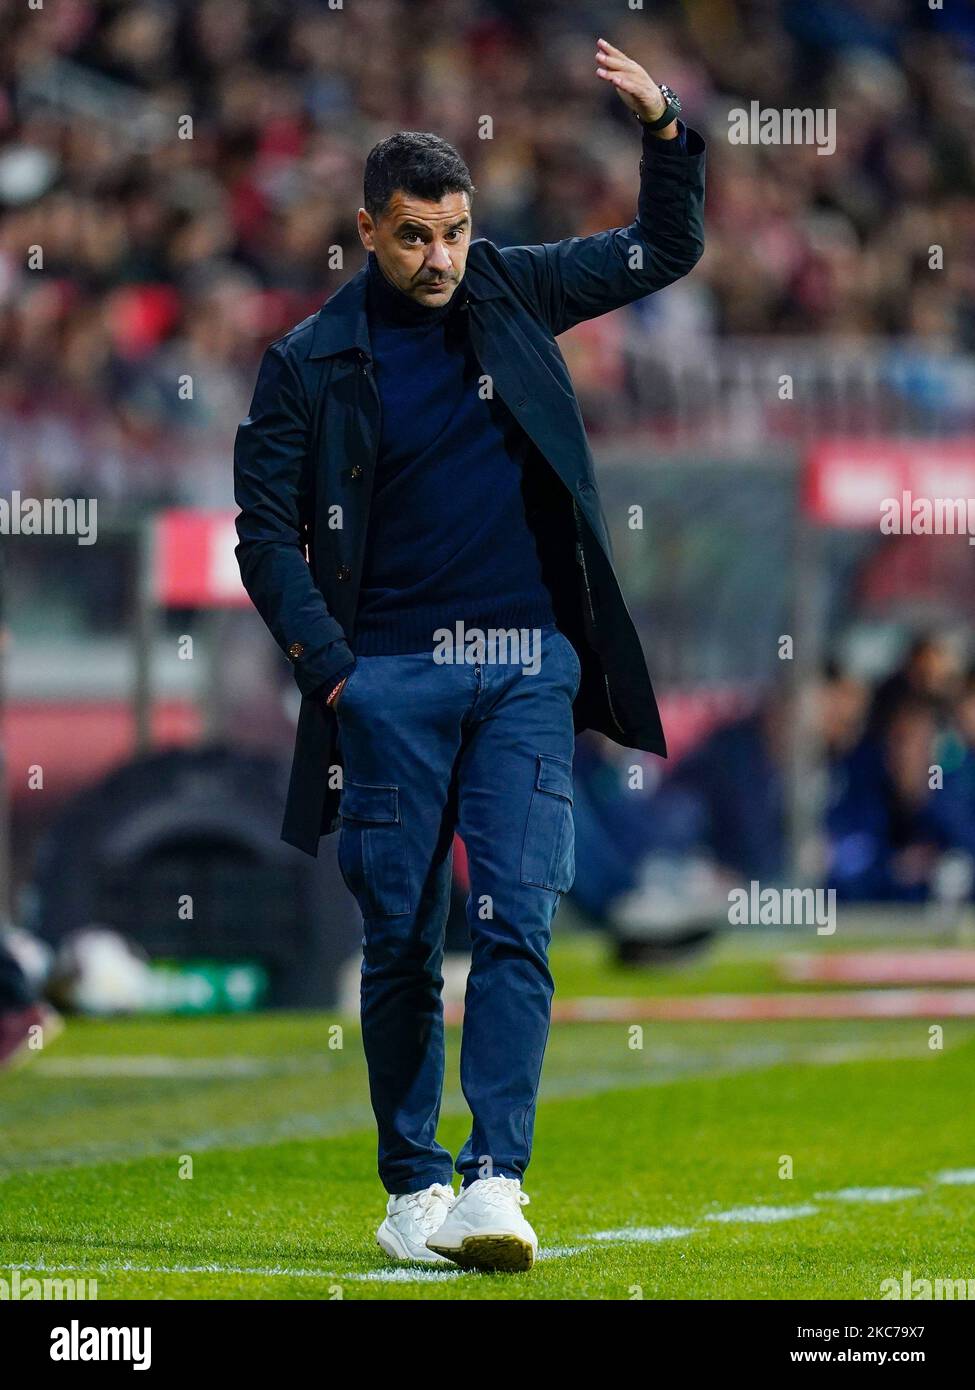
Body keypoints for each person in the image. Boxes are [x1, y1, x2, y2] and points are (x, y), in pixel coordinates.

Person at [234, 37, 706, 1272]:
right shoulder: (305, 363)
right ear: (365, 229)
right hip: (385, 675)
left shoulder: (512, 285)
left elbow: (666, 249)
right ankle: (410, 1187)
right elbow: (262, 532)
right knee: (401, 937)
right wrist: (335, 670)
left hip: (524, 670)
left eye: (453, 231)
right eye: (413, 236)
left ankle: (495, 1179)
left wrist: (666, 132)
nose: (440, 258)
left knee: (518, 919)